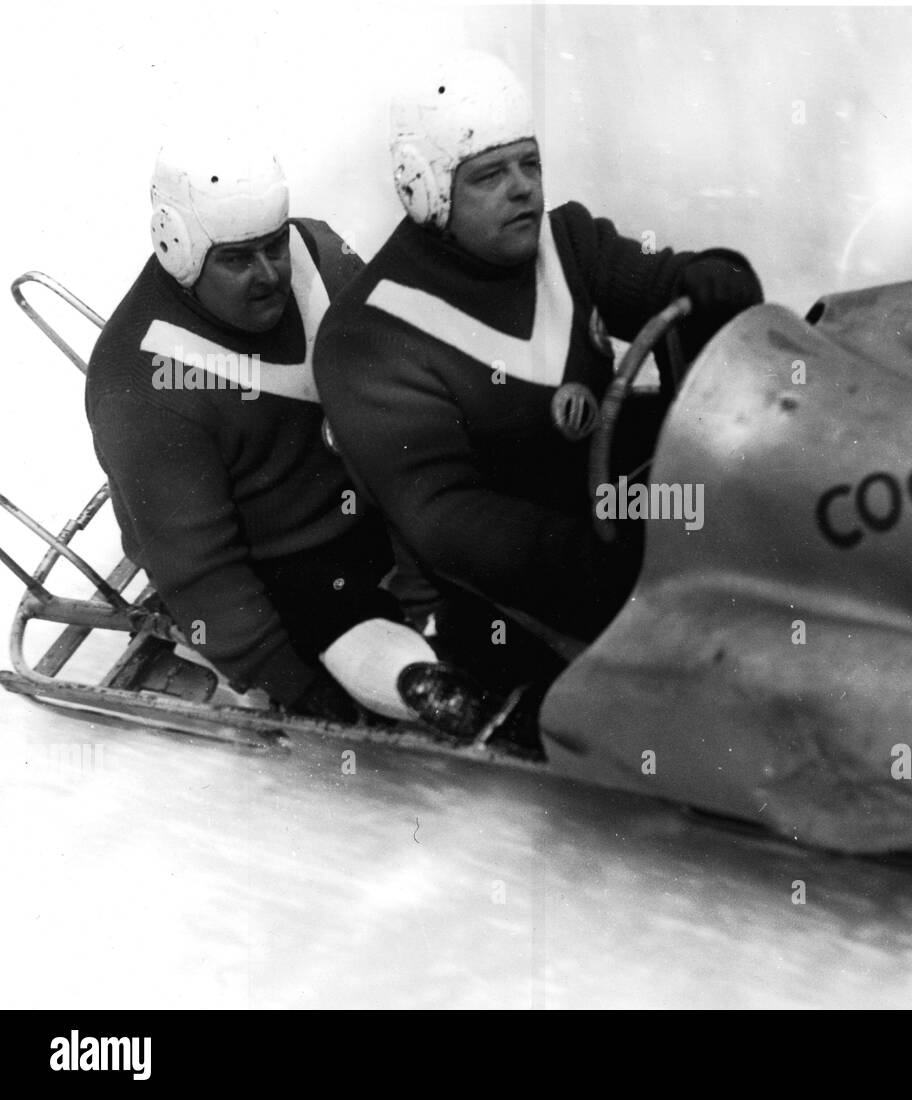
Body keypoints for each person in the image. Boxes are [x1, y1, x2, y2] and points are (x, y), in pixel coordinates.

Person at [313, 50, 764, 679]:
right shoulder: (369, 338)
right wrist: (610, 556)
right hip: (500, 588)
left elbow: (661, 285)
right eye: (490, 175)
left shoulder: (568, 243)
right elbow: (446, 518)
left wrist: (716, 278)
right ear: (427, 191)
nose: (523, 187)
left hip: (618, 515)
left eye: (530, 164)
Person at [85, 138, 489, 732]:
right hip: (287, 555)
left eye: (274, 247)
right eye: (239, 259)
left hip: (379, 494)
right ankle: (417, 684)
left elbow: (408, 358)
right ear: (180, 250)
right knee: (332, 608)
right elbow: (198, 571)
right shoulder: (139, 387)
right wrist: (290, 680)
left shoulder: (318, 252)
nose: (271, 275)